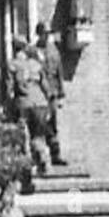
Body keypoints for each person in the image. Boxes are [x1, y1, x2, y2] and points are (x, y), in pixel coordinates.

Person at [9, 37, 52, 175]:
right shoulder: (36, 65)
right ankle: (45, 161)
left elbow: (10, 90)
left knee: (24, 137)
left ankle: (28, 167)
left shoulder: (13, 65)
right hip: (40, 103)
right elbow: (46, 87)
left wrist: (8, 106)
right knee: (39, 136)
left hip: (23, 104)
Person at [34, 21, 67, 165]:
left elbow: (59, 72)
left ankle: (55, 155)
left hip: (52, 93)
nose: (46, 37)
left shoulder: (54, 50)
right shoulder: (33, 51)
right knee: (39, 124)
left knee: (52, 125)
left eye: (47, 34)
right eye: (43, 34)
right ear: (38, 34)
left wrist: (61, 93)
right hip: (38, 93)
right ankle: (38, 157)